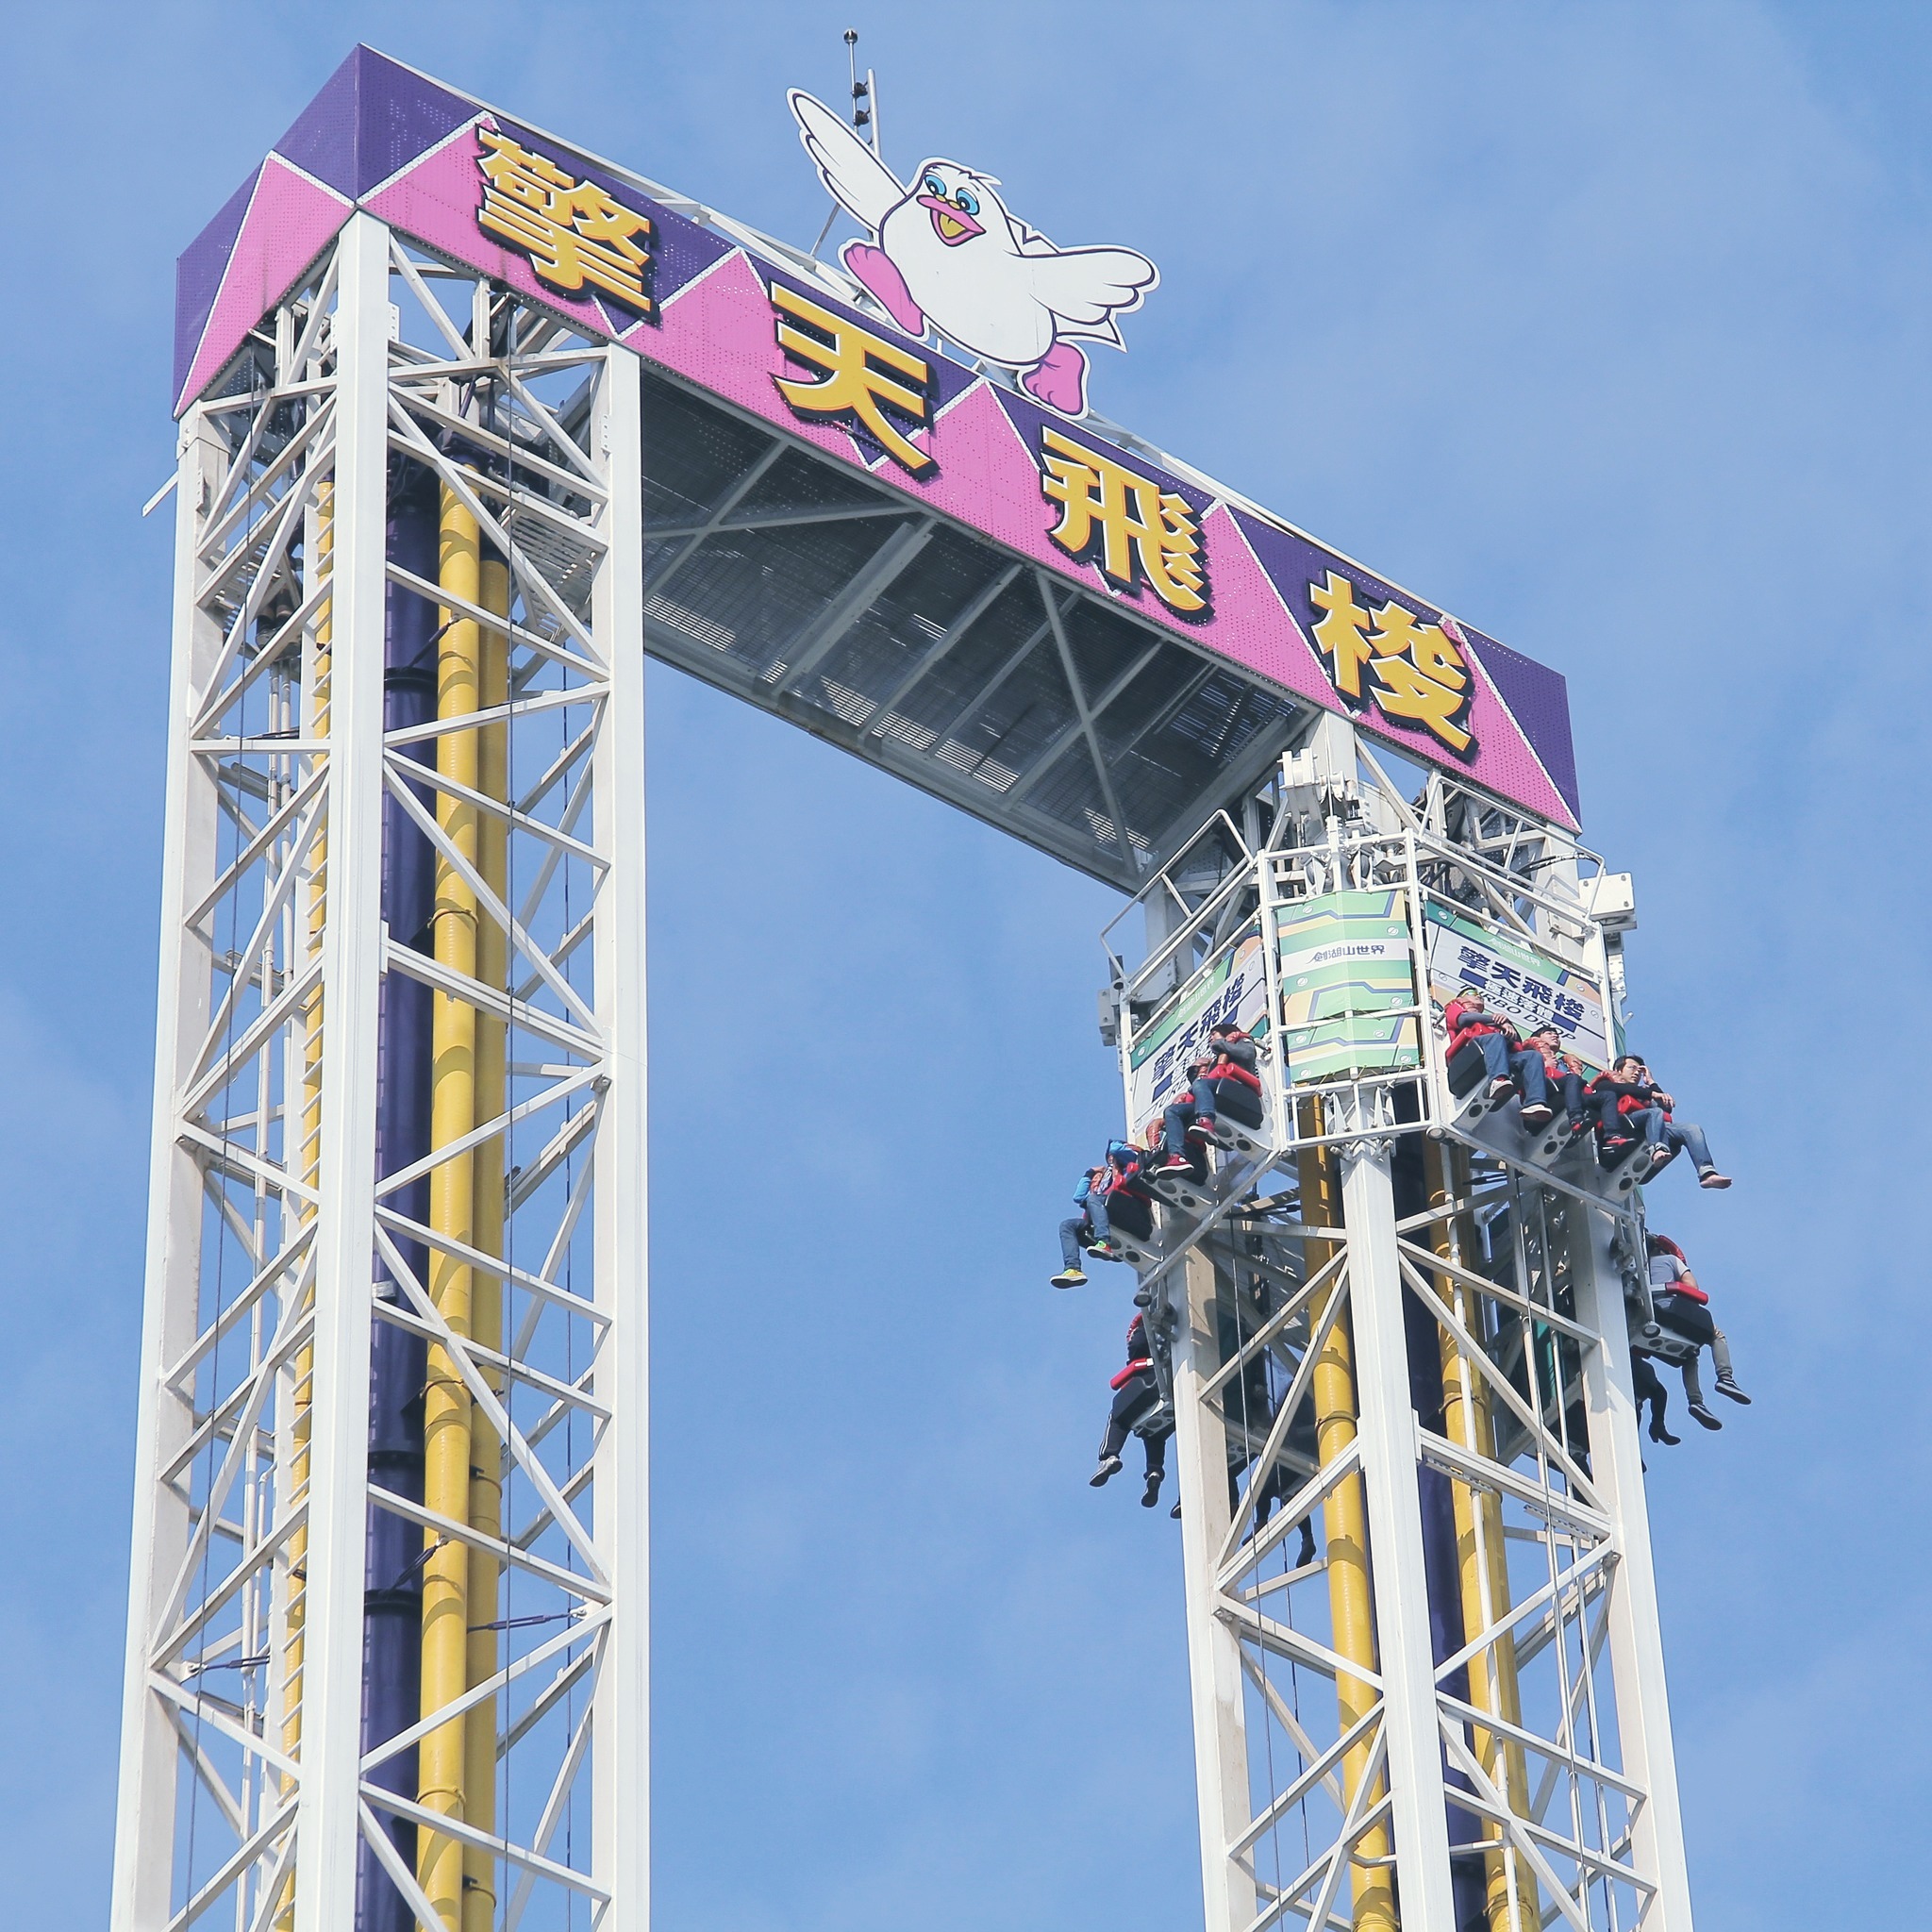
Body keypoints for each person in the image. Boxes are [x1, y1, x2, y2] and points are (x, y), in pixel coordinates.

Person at [1648, 1233, 1750, 1428]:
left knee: (1689, 1352)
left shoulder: (1636, 1267)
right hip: (1671, 1307)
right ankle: (1725, 1378)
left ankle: (1696, 1402)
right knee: (1716, 1335)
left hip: (1652, 1317)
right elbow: (1692, 1287)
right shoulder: (1671, 1260)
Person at [1589, 1056, 1732, 1190]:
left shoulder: (1643, 1092)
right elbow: (1620, 1089)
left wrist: (1651, 1082)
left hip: (1647, 1129)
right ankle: (1657, 1150)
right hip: (1623, 1127)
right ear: (1618, 1070)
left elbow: (1666, 1107)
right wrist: (1651, 1093)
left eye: (1640, 1071)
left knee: (1691, 1129)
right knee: (1654, 1113)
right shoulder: (1607, 1084)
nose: (1636, 1073)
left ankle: (1706, 1173)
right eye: (1632, 1068)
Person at [1155, 1021, 1263, 1173]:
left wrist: (1222, 1043)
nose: (1210, 1038)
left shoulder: (1242, 1042)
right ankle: (1177, 1157)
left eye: (1213, 1034)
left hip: (1239, 1091)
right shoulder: (1214, 1065)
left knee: (1201, 1084)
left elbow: (1247, 1054)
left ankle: (1206, 1122)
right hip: (1219, 1094)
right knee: (1172, 1111)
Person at [1441, 988, 1556, 1128]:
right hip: (1469, 1055)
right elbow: (1463, 1020)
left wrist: (1508, 1024)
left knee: (1532, 1056)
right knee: (1495, 1038)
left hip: (1496, 1056)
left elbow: (1517, 1042)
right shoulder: (1455, 1007)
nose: (1478, 997)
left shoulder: (1495, 1023)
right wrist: (1496, 1020)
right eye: (1472, 994)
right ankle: (1498, 1080)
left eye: (1480, 995)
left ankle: (1534, 1102)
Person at [1091, 1312, 1172, 1507]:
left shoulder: (1147, 1333)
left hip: (1151, 1380)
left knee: (1118, 1416)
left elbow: (1137, 1346)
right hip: (1179, 1385)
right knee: (1153, 1430)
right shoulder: (1181, 1333)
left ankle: (1108, 1456)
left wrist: (1139, 1335)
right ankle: (1154, 1471)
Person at [1051, 1161, 1121, 1288]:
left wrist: (1111, 1167)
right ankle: (1073, 1269)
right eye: (1092, 1180)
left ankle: (1104, 1243)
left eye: (1098, 1177)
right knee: (1067, 1225)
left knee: (1093, 1199)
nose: (1095, 1180)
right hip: (1095, 1221)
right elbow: (1078, 1197)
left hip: (1116, 1206)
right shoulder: (1092, 1196)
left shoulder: (1112, 1180)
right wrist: (1089, 1173)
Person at [1524, 1024, 1591, 1138]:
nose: (1555, 1036)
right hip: (1546, 1094)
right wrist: (1544, 1066)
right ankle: (1576, 1118)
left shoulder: (1564, 1064)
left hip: (1565, 1092)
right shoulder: (1532, 1056)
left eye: (1557, 1035)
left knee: (1606, 1096)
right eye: (1549, 1033)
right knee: (1573, 1078)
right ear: (1538, 1038)